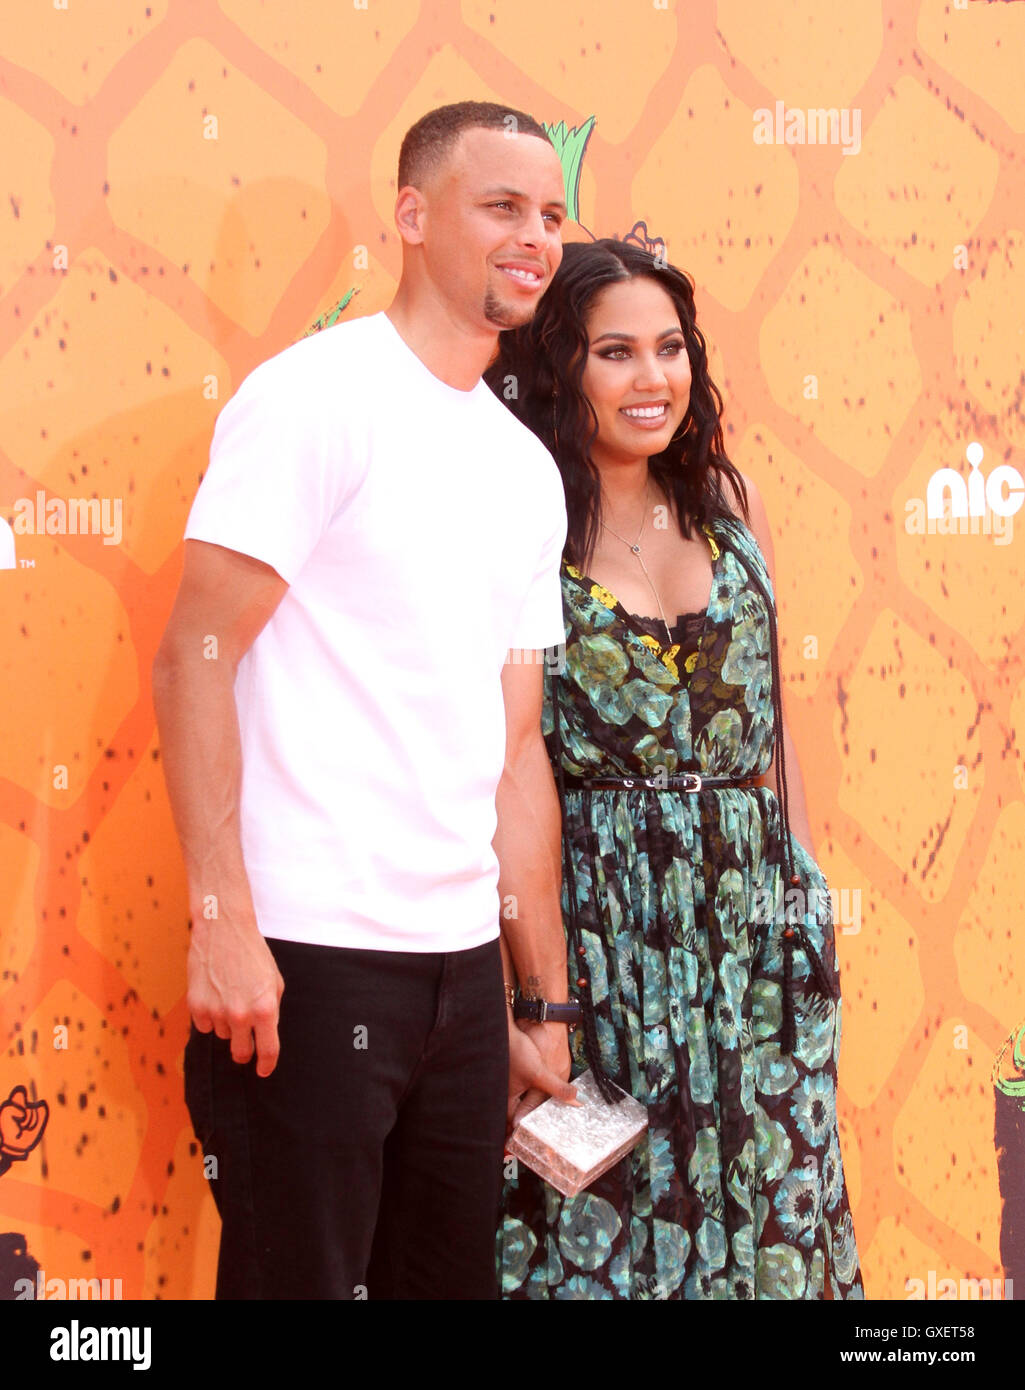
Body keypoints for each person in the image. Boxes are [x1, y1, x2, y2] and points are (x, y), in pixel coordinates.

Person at [152, 100, 580, 1301]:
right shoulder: (314, 399)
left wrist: (524, 996)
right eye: (502, 206)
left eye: (550, 214)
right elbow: (192, 656)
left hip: (453, 980)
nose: (534, 238)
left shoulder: (518, 467)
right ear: (409, 215)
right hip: (303, 957)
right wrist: (221, 919)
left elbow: (509, 749)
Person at [488, 238, 864, 1300]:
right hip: (600, 942)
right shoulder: (522, 537)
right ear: (560, 370)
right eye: (614, 352)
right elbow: (511, 767)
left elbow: (779, 736)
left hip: (755, 943)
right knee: (599, 1240)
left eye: (668, 348)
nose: (651, 379)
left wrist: (807, 898)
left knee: (775, 1224)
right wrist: (539, 994)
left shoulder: (727, 510)